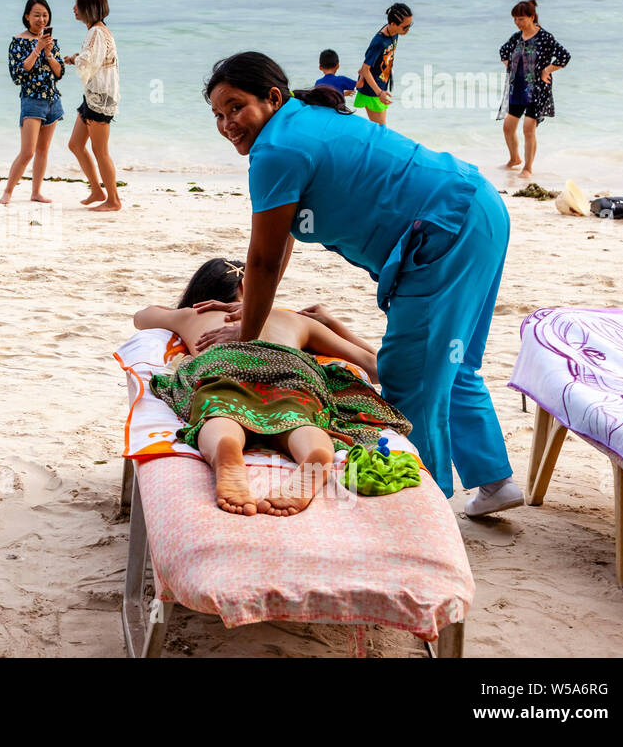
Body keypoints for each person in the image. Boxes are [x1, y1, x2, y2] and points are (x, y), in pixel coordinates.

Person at [197, 52, 524, 516]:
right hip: (478, 206)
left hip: (442, 231)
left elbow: (264, 258)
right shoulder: (301, 120)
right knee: (452, 364)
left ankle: (419, 513)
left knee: (408, 381)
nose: (227, 123)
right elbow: (279, 239)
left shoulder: (276, 149)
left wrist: (247, 338)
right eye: (217, 114)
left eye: (235, 107)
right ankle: (495, 482)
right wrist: (252, 307)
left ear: (272, 98)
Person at [135, 259, 409, 517]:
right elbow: (375, 367)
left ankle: (226, 450)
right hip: (289, 366)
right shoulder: (292, 319)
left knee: (219, 413)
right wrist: (332, 323)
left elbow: (142, 316)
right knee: (299, 418)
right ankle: (315, 454)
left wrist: (189, 309)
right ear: (249, 287)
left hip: (224, 363)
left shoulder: (195, 313)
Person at [1, 0, 65, 205]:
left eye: (45, 15)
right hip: (32, 100)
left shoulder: (52, 43)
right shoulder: (18, 42)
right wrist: (37, 49)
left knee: (43, 150)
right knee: (27, 151)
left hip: (52, 100)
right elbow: (18, 74)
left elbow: (59, 72)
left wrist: (48, 53)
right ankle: (8, 192)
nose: (41, 19)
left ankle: (36, 192)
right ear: (27, 16)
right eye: (37, 15)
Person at [63, 0, 122, 212]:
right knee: (75, 144)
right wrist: (76, 58)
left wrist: (77, 60)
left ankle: (113, 200)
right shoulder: (98, 31)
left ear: (88, 7)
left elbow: (90, 64)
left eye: (77, 4)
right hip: (93, 96)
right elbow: (94, 59)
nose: (74, 8)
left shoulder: (97, 32)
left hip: (101, 98)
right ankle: (97, 190)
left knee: (100, 151)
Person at [499, 0, 570, 179]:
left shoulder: (545, 37)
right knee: (508, 127)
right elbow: (503, 51)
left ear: (532, 17)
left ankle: (528, 168)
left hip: (538, 90)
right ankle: (514, 159)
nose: (517, 22)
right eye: (515, 19)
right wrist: (510, 68)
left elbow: (564, 56)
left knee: (528, 128)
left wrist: (548, 69)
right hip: (518, 88)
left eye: (521, 19)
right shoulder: (517, 37)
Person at [354, 3, 412, 125]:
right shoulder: (379, 42)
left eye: (410, 25)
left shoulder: (394, 32)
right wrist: (379, 92)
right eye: (405, 27)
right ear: (393, 24)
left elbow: (369, 61)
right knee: (381, 129)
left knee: (379, 127)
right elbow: (366, 68)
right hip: (373, 90)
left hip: (380, 85)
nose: (408, 30)